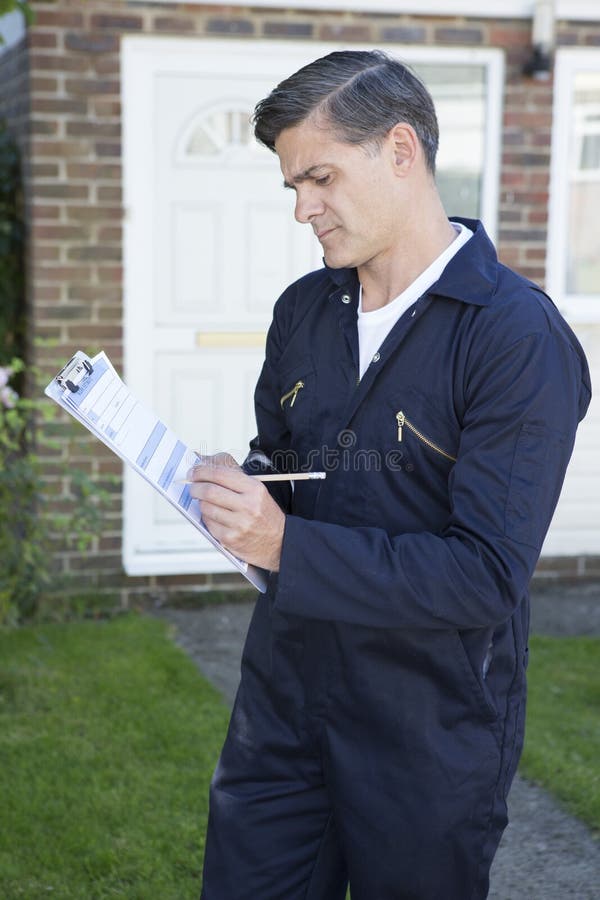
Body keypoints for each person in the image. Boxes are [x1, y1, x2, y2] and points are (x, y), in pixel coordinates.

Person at [189, 50, 591, 900]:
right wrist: (247, 490)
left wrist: (285, 545)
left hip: (427, 732)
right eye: (293, 186)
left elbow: (485, 573)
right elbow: (284, 460)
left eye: (321, 177)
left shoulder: (515, 339)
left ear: (401, 150)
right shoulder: (304, 309)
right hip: (284, 700)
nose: (304, 209)